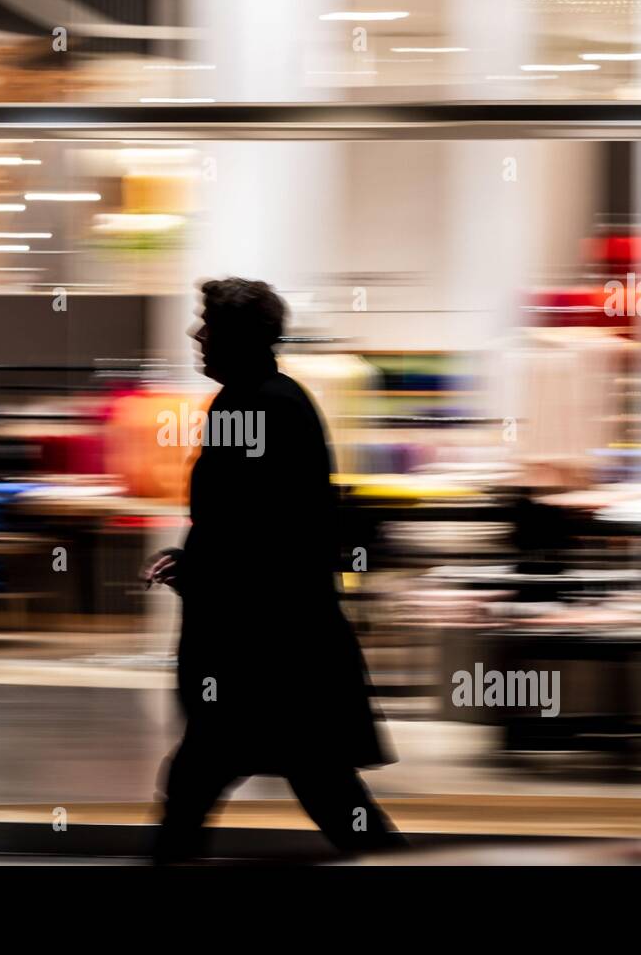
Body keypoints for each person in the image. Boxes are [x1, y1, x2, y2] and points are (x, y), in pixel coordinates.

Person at [143, 277, 404, 864]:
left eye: (209, 326)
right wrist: (195, 561)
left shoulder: (263, 405)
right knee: (323, 791)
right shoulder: (258, 400)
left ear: (239, 336)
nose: (197, 335)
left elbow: (268, 534)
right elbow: (248, 524)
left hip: (265, 653)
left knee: (204, 789)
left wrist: (203, 570)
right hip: (275, 652)